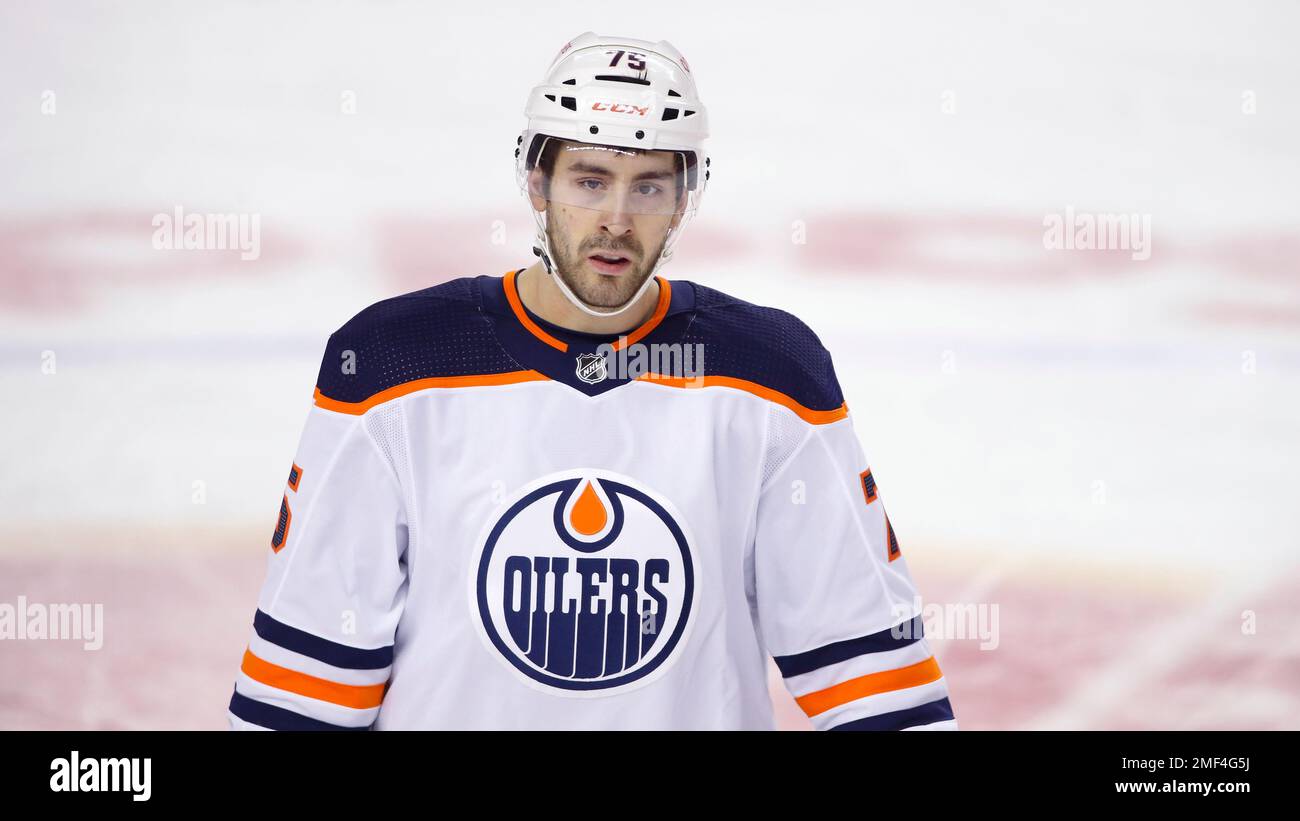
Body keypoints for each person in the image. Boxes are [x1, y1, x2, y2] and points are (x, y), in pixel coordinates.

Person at [226, 31, 958, 730]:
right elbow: (304, 697)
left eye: (647, 188)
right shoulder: (392, 364)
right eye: (590, 179)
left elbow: (875, 685)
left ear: (684, 197)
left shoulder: (769, 372)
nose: (615, 219)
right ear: (536, 181)